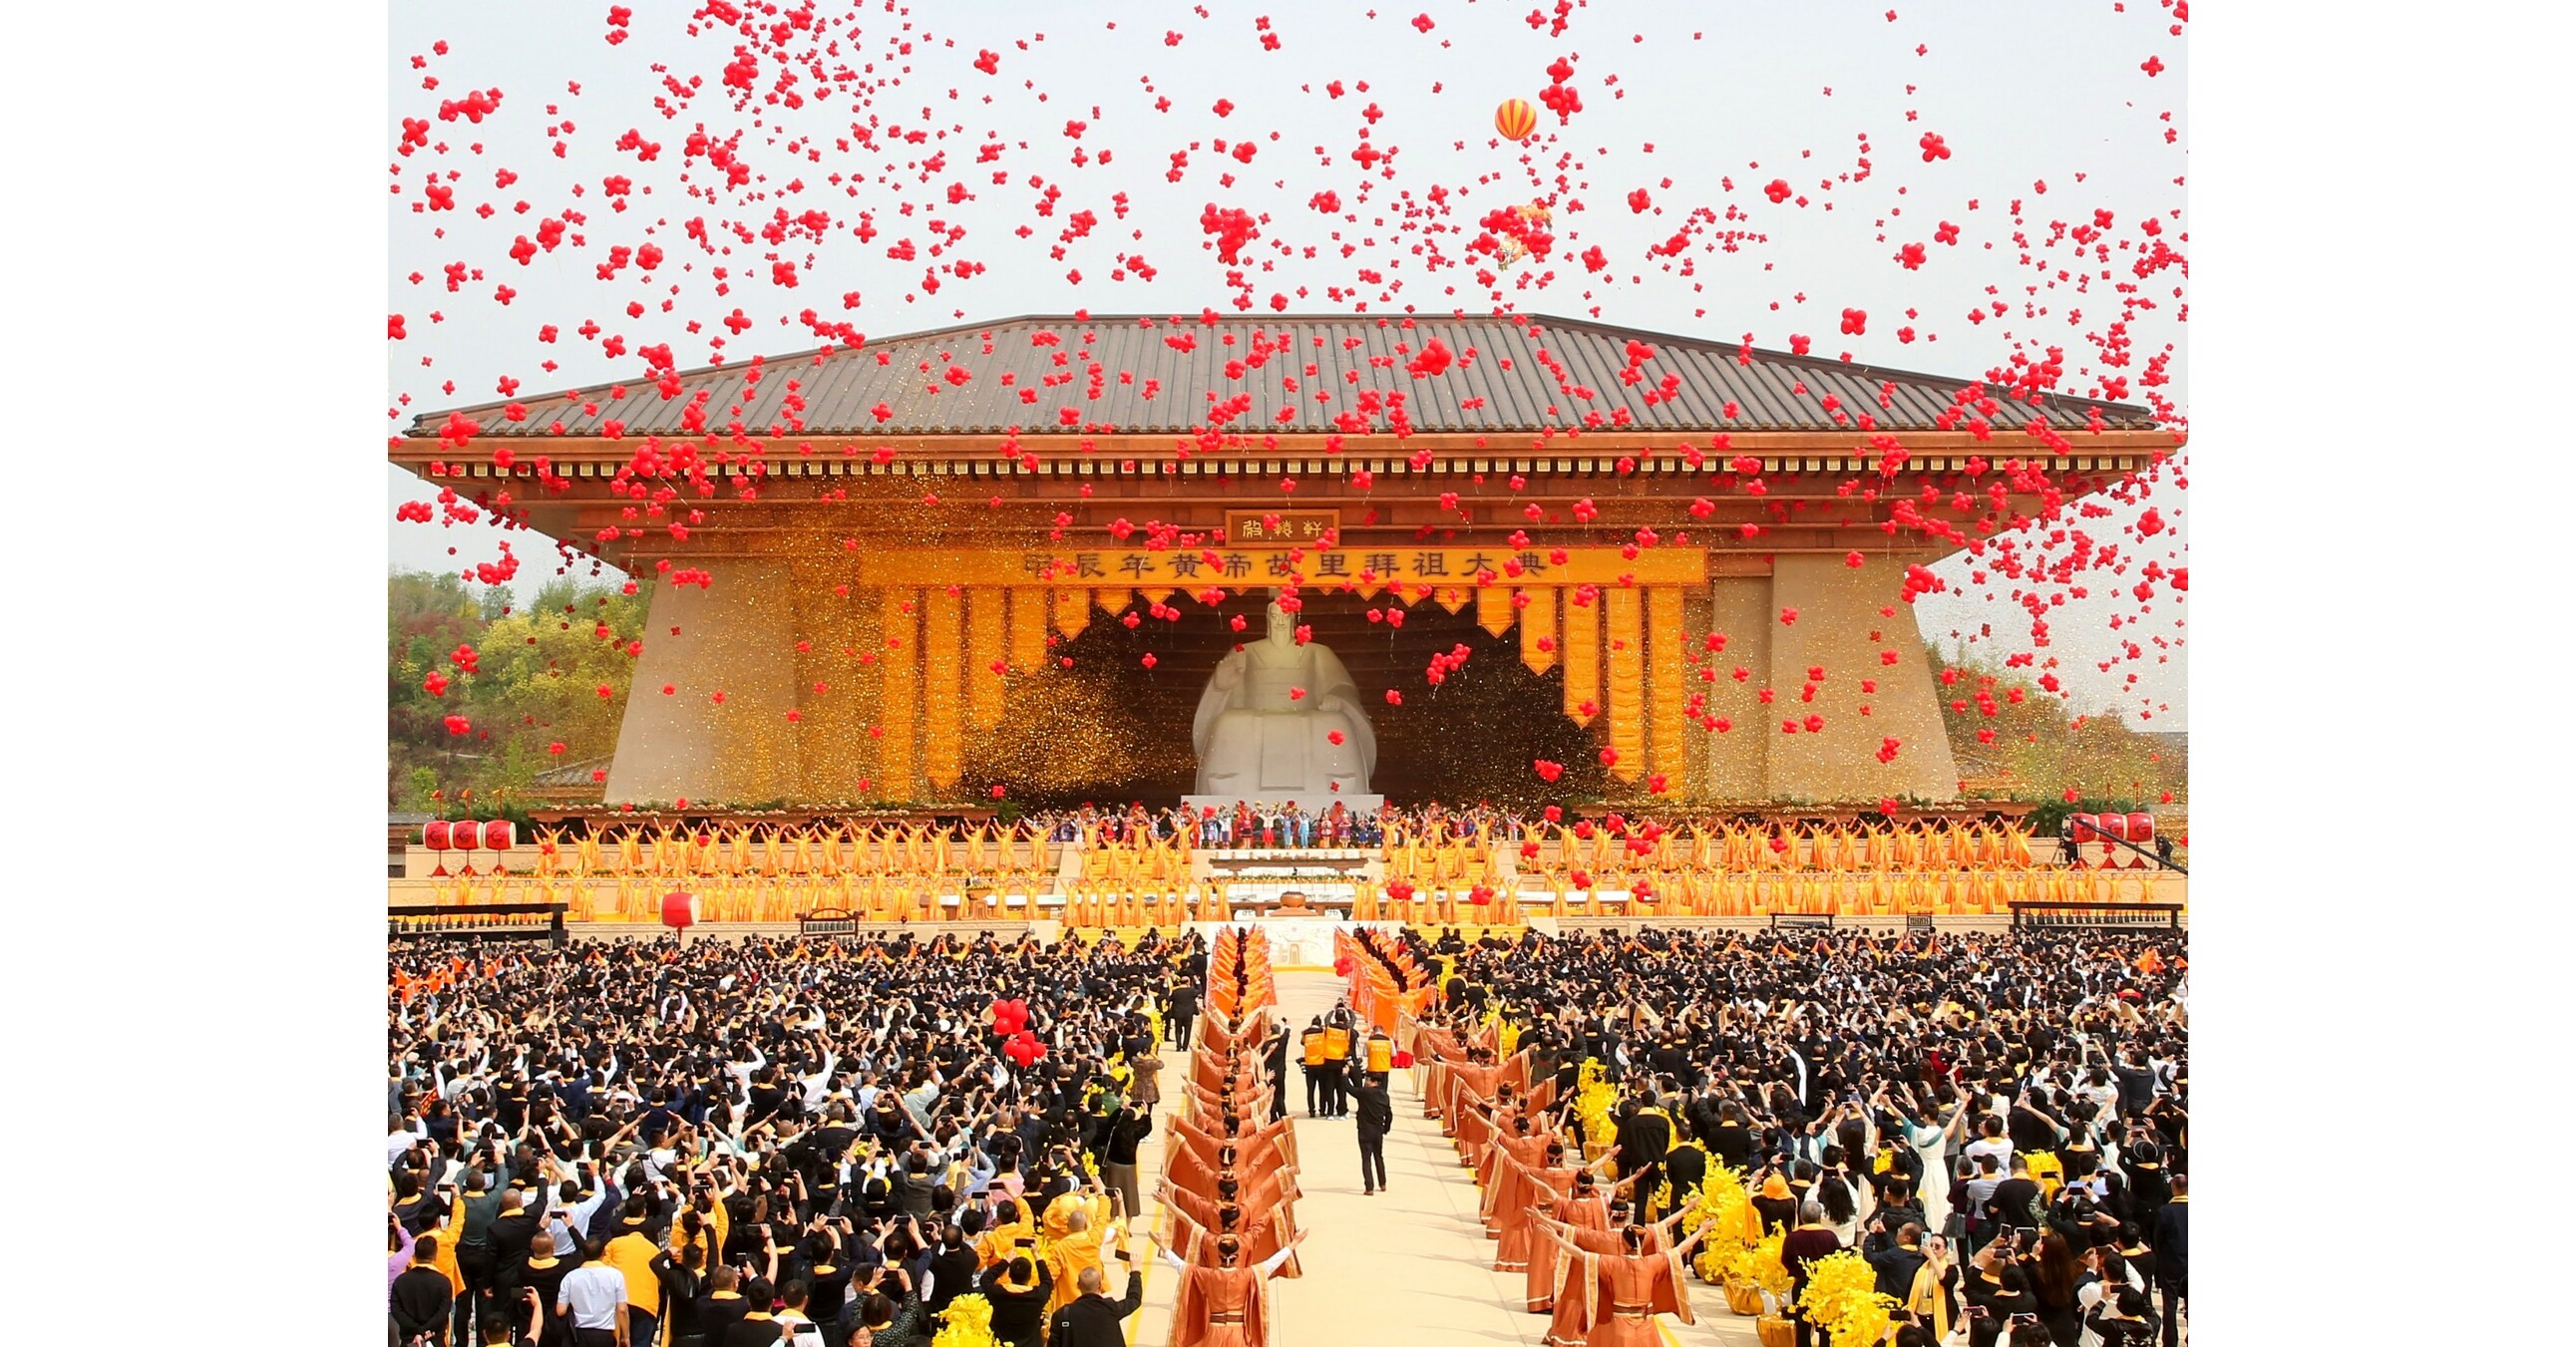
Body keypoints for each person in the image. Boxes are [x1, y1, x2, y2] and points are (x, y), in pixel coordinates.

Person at [1044, 1251, 1145, 1347]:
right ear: (1100, 1285)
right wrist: (1135, 1272)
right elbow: (1134, 1299)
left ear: (1078, 1285)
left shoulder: (1063, 1314)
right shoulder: (1111, 1308)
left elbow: (1053, 1344)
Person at [1781, 1202, 1843, 1347]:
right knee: (1824, 1327)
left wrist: (1797, 1271)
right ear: (1820, 1217)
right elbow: (1838, 1259)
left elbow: (1786, 1260)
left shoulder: (1793, 1237)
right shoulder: (1829, 1236)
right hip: (1824, 1288)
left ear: (1801, 1217)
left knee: (1802, 1326)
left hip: (1802, 1285)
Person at [556, 1240, 630, 1347]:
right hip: (605, 1334)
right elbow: (622, 1309)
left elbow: (560, 1310)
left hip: (579, 1334)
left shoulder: (570, 1277)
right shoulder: (615, 1275)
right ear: (603, 1253)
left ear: (583, 1254)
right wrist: (625, 1337)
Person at [396, 1232, 459, 1347]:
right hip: (434, 1338)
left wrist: (416, 1330)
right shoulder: (443, 1282)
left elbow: (397, 1310)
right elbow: (443, 1312)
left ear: (414, 1256)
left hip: (409, 1339)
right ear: (435, 1255)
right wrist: (424, 1330)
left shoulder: (400, 1281)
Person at [2152, 1175, 2186, 1347]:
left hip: (2171, 1263)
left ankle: (2170, 1342)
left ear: (2173, 1188)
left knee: (2169, 1306)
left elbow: (2157, 1239)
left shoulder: (2165, 1211)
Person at [1353, 1069, 1393, 1196]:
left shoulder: (1365, 1093)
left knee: (1366, 1159)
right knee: (1378, 1156)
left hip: (1365, 1131)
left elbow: (1349, 1088)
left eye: (1368, 1080)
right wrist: (1385, 1128)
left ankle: (1369, 1187)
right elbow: (1389, 1114)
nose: (1366, 1082)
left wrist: (1344, 1075)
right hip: (1378, 1131)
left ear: (1374, 1082)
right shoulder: (1384, 1096)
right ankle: (1382, 1183)